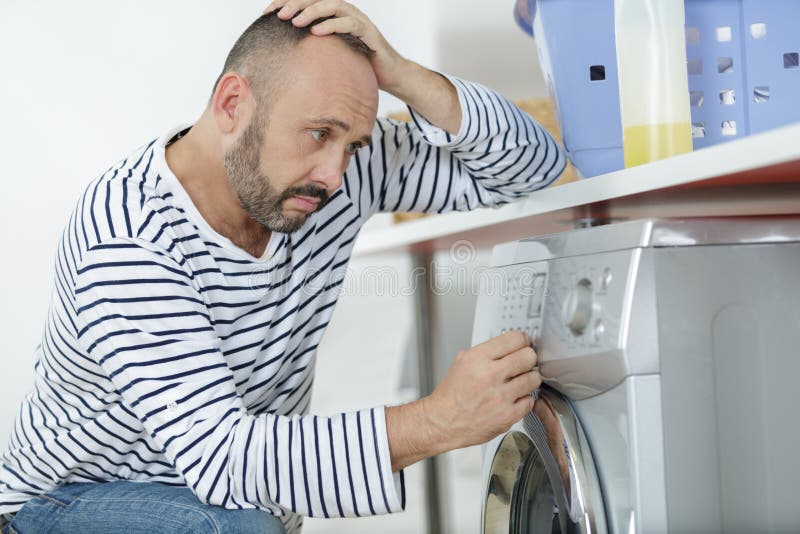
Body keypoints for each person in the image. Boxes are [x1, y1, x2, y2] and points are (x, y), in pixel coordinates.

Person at [0, 1, 564, 532]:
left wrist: (401, 72)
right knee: (233, 523)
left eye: (352, 145)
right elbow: (224, 459)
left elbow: (533, 168)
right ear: (232, 105)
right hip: (60, 504)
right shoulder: (128, 233)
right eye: (318, 133)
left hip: (235, 514)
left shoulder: (332, 175)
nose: (335, 175)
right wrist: (439, 420)